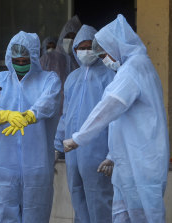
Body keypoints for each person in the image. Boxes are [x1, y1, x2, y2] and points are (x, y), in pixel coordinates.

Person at [63, 14, 169, 223]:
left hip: (140, 159)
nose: (104, 60)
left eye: (104, 54)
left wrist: (78, 138)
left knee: (144, 215)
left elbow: (108, 108)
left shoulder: (133, 70)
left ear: (116, 46)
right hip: (129, 158)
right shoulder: (135, 66)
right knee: (121, 214)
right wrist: (112, 155)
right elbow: (120, 120)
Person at [0, 31, 61, 223]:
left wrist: (29, 116)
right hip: (4, 164)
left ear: (34, 57)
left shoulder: (49, 80)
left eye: (26, 61)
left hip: (38, 163)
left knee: (36, 213)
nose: (21, 64)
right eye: (17, 60)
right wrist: (4, 114)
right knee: (3, 214)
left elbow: (48, 103)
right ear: (9, 58)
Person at [54, 24, 115, 223]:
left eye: (90, 46)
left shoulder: (109, 76)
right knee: (77, 198)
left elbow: (115, 118)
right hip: (73, 153)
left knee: (100, 200)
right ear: (75, 50)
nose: (85, 51)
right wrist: (57, 145)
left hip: (98, 151)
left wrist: (113, 151)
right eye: (81, 47)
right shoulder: (72, 78)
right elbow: (66, 115)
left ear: (99, 48)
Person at [40, 15, 82, 99]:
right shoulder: (48, 58)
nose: (70, 40)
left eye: (74, 37)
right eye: (67, 37)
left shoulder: (81, 60)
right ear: (62, 36)